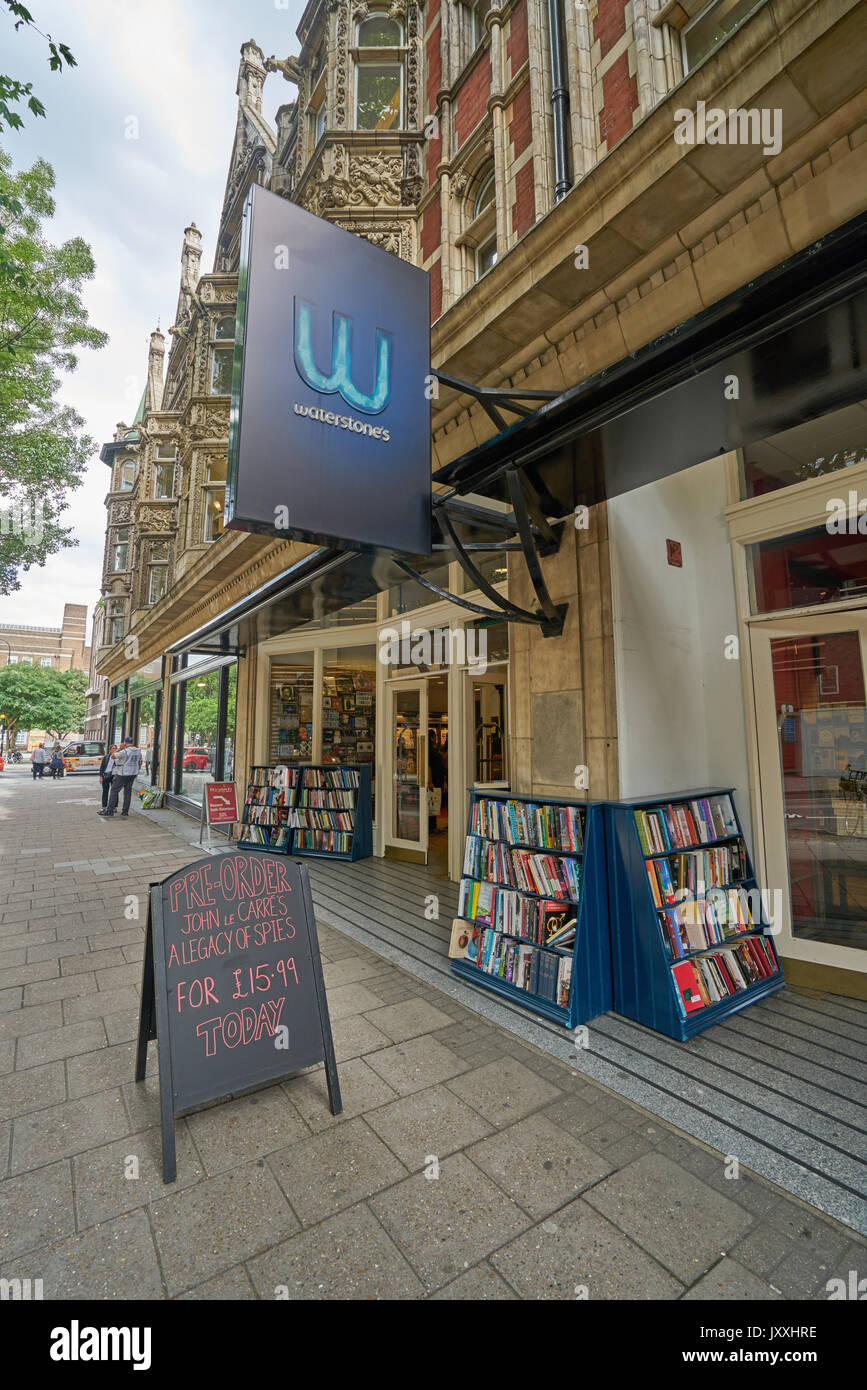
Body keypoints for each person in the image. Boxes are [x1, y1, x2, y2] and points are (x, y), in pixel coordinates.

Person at [99, 736, 142, 818]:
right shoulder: (138, 751)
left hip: (122, 774)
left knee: (114, 791)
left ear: (125, 743)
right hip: (132, 774)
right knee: (127, 793)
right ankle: (125, 811)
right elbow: (140, 763)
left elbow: (112, 756)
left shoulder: (124, 751)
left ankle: (110, 810)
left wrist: (119, 748)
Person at [99, 744, 117, 810]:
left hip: (114, 776)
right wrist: (101, 776)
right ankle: (104, 806)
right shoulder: (106, 757)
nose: (114, 750)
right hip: (106, 775)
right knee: (105, 791)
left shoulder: (118, 757)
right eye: (113, 748)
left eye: (115, 748)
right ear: (110, 750)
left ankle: (114, 806)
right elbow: (102, 767)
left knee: (114, 792)